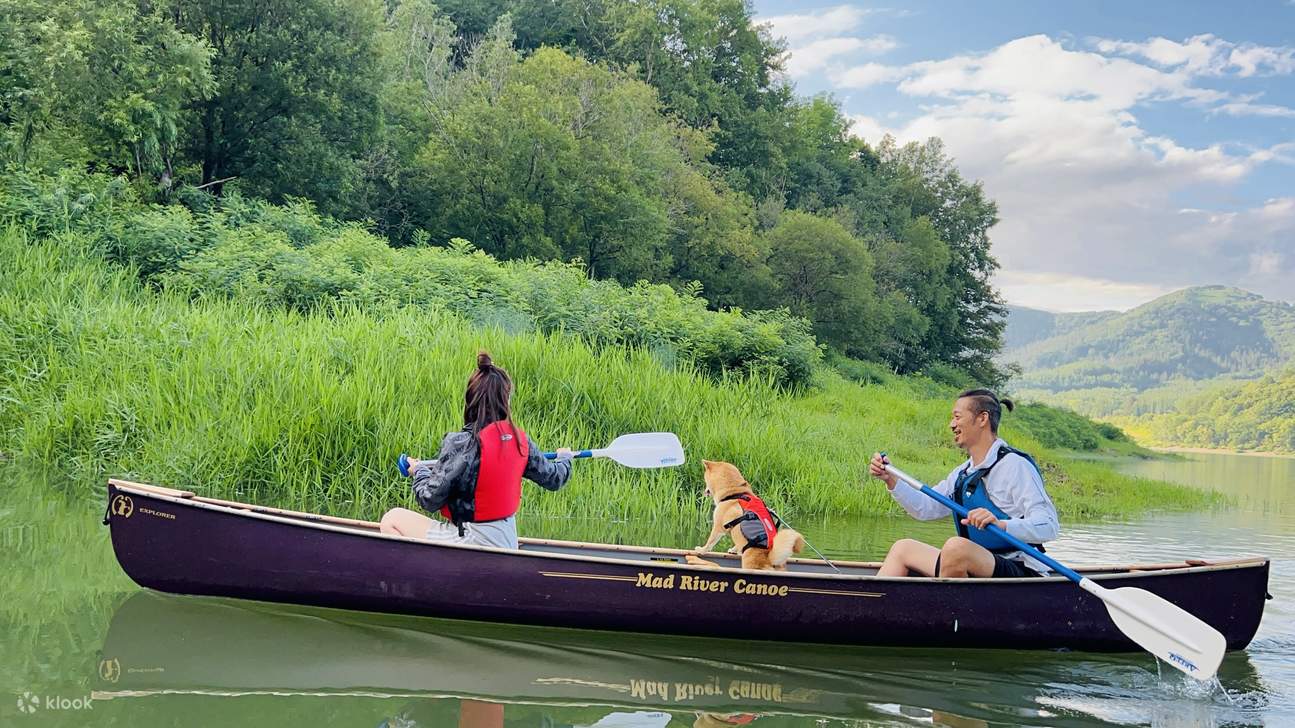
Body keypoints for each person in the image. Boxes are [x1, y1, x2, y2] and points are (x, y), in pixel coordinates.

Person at [379, 351, 573, 549]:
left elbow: (429, 499)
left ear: (470, 398)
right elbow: (555, 478)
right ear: (506, 401)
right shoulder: (520, 442)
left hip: (472, 541)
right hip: (507, 542)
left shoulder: (461, 444)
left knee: (392, 519)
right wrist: (565, 457)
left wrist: (418, 471)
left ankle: (424, 577)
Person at [867, 389, 1059, 578]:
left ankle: (949, 608)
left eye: (958, 417)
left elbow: (1048, 526)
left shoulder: (1016, 466)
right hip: (976, 562)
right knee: (904, 548)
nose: (952, 424)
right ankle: (873, 607)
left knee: (956, 547)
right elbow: (924, 508)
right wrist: (892, 480)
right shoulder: (963, 473)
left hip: (1020, 567)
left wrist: (1002, 525)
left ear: (982, 419)